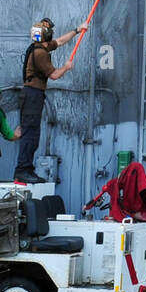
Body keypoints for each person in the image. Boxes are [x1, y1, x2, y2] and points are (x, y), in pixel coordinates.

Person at [14, 17, 87, 183]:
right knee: (30, 135)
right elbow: (54, 75)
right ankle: (22, 170)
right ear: (46, 36)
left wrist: (77, 30)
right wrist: (66, 68)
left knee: (33, 134)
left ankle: (26, 169)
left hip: (34, 95)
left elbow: (61, 41)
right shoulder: (40, 53)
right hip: (32, 95)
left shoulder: (41, 46)